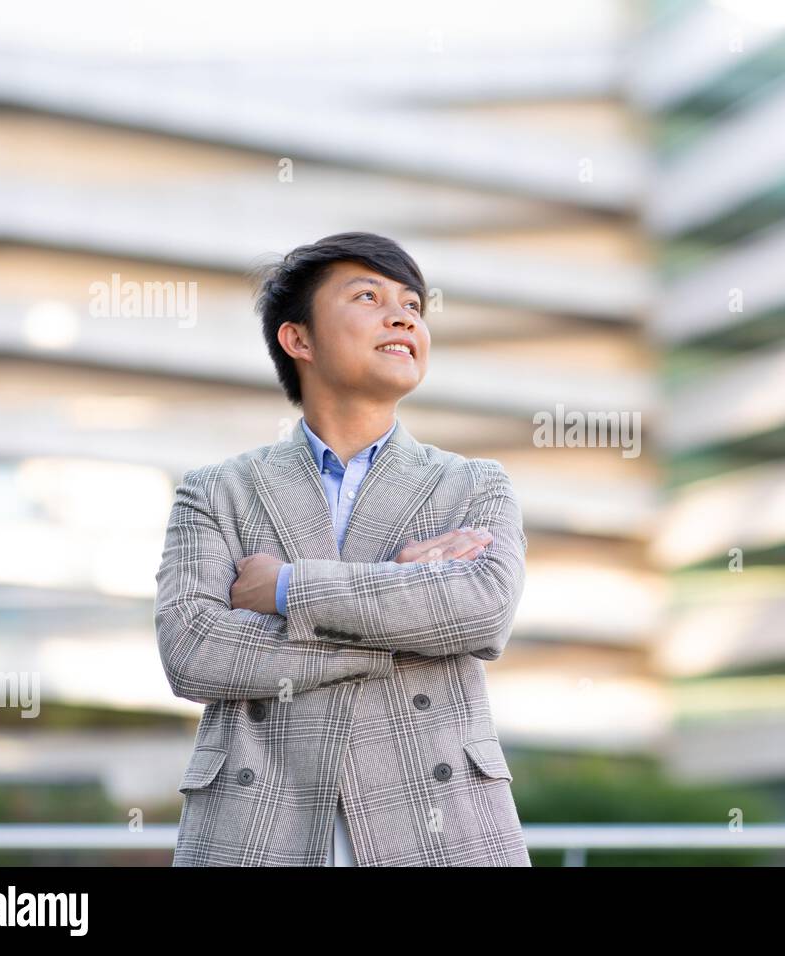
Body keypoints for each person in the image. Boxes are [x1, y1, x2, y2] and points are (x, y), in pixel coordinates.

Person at [154, 232, 530, 866]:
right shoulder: (216, 491)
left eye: (414, 304)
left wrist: (284, 588)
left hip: (442, 828)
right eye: (368, 296)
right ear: (299, 339)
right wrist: (405, 607)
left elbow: (482, 610)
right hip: (258, 826)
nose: (404, 315)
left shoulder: (475, 484)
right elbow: (194, 653)